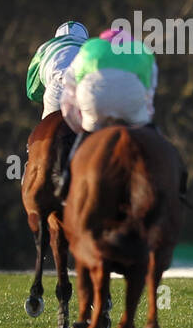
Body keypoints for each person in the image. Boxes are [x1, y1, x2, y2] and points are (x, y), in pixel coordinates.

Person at [53, 28, 181, 200]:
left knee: (84, 135)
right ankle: (175, 180)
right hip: (131, 99)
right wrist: (143, 121)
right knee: (152, 133)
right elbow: (149, 94)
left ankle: (65, 181)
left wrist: (82, 126)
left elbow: (69, 93)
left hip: (94, 100)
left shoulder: (90, 48)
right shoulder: (143, 51)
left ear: (102, 40)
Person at [25, 21, 89, 118]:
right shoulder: (91, 47)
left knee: (45, 130)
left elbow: (32, 91)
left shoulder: (44, 48)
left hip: (56, 88)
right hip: (84, 89)